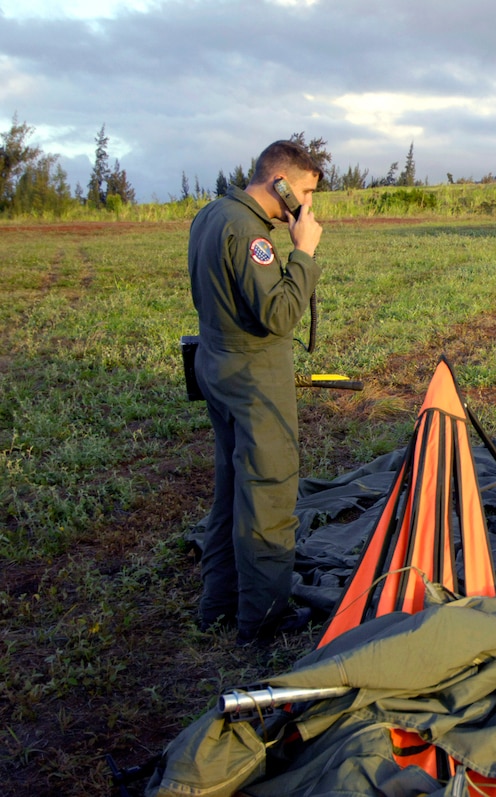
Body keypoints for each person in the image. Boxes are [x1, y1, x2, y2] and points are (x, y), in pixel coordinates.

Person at [188, 139, 324, 644]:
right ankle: (263, 619)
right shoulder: (249, 233)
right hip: (253, 377)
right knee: (268, 491)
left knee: (230, 491)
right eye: (305, 191)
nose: (307, 204)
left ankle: (218, 604)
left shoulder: (212, 214)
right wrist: (304, 253)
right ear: (280, 183)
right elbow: (279, 314)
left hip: (216, 365)